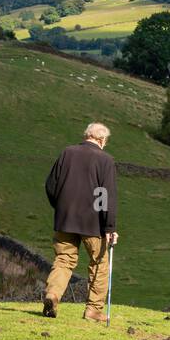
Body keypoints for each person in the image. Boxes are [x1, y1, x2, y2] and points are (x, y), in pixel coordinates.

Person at [42, 122, 118, 322]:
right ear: (101, 140)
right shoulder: (105, 160)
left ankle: (53, 294)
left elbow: (51, 185)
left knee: (64, 260)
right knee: (99, 262)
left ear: (87, 136)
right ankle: (93, 310)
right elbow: (105, 195)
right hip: (93, 223)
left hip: (65, 219)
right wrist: (109, 226)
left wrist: (61, 206)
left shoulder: (67, 152)